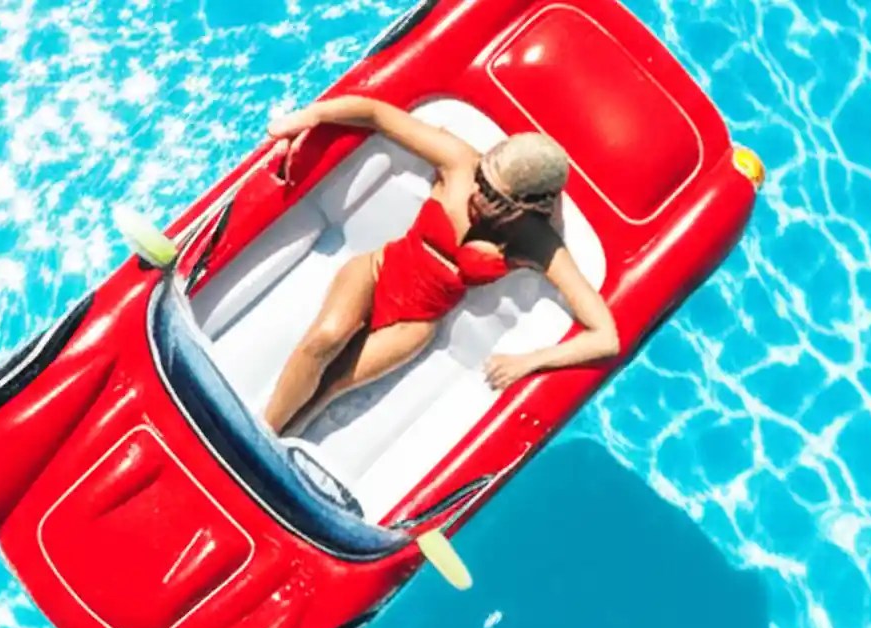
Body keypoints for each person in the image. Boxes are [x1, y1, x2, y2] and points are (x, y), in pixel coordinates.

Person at [261, 95, 620, 435]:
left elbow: (606, 338)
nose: (478, 193)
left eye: (495, 196)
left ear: (528, 207)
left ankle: (277, 440)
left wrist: (529, 361)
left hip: (415, 323)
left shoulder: (537, 242)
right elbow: (375, 114)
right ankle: (266, 427)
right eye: (483, 180)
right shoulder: (461, 163)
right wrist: (307, 117)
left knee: (334, 385)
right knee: (324, 339)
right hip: (376, 271)